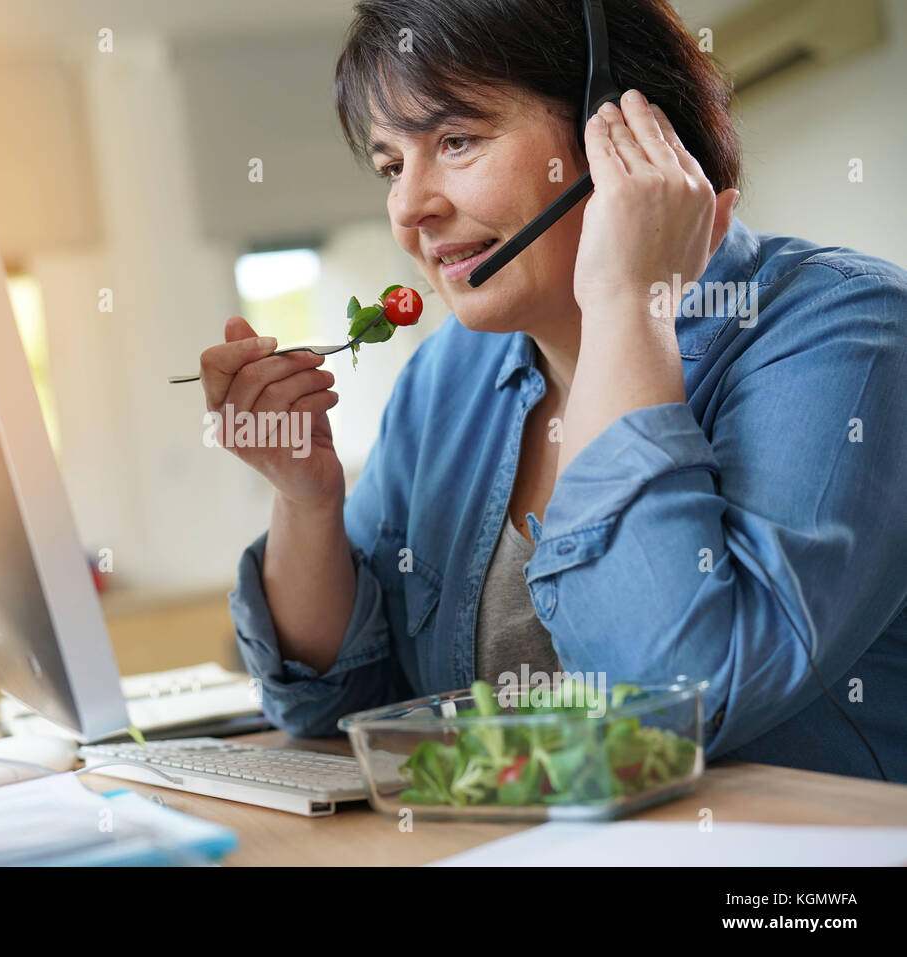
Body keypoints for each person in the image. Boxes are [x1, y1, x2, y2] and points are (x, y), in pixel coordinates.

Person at [199, 0, 907, 782]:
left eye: (457, 140)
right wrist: (307, 500)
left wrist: (627, 306)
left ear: (620, 131)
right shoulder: (447, 376)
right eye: (392, 165)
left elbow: (674, 706)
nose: (408, 207)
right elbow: (340, 704)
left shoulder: (847, 333)